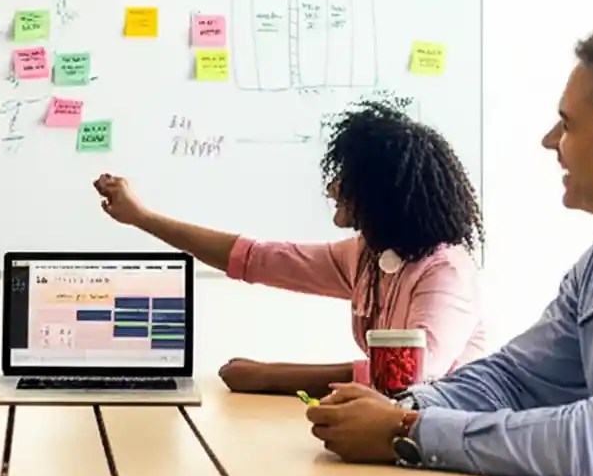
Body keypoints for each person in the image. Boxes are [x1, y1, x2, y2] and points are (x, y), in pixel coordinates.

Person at [306, 25, 593, 476]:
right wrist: (407, 405)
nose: (549, 142)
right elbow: (517, 378)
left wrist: (406, 429)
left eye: (567, 125)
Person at [93, 101, 487, 398]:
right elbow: (253, 258)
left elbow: (408, 377)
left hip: (442, 437)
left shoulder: (445, 270)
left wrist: (270, 376)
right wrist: (141, 217)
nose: (332, 188)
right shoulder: (366, 257)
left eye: (343, 178)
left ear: (381, 193)